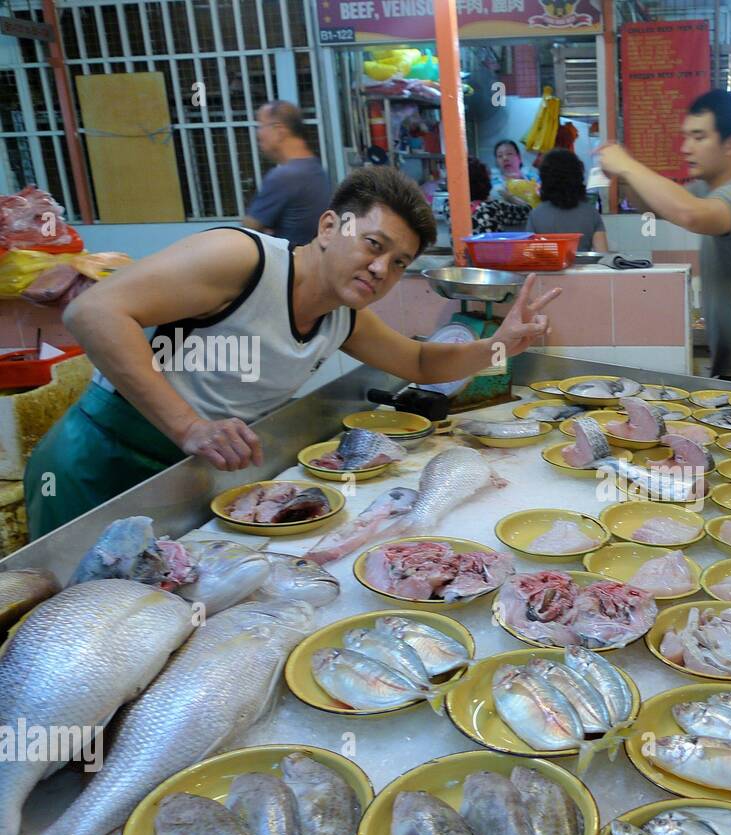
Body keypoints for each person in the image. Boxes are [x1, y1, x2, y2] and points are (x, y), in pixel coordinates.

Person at [24, 167, 559, 538]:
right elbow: (91, 313)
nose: (381, 270)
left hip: (188, 474)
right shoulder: (241, 259)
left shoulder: (340, 313)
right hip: (99, 462)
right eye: (374, 245)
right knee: (67, 638)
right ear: (329, 227)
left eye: (399, 263)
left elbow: (419, 363)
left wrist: (500, 348)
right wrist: (190, 426)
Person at [596, 89, 731, 390]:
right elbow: (652, 206)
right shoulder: (709, 189)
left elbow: (690, 215)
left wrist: (628, 165)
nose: (685, 148)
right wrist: (625, 177)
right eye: (686, 137)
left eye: (698, 137)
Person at [242, 101, 333, 248]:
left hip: (292, 266)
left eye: (260, 125)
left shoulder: (284, 177)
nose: (258, 134)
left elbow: (246, 233)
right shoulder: (315, 167)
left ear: (279, 130)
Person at [527, 148, 608, 252]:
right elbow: (603, 256)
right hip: (583, 268)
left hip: (548, 267)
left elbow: (530, 255)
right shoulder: (591, 213)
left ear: (545, 179)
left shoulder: (536, 215)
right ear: (578, 177)